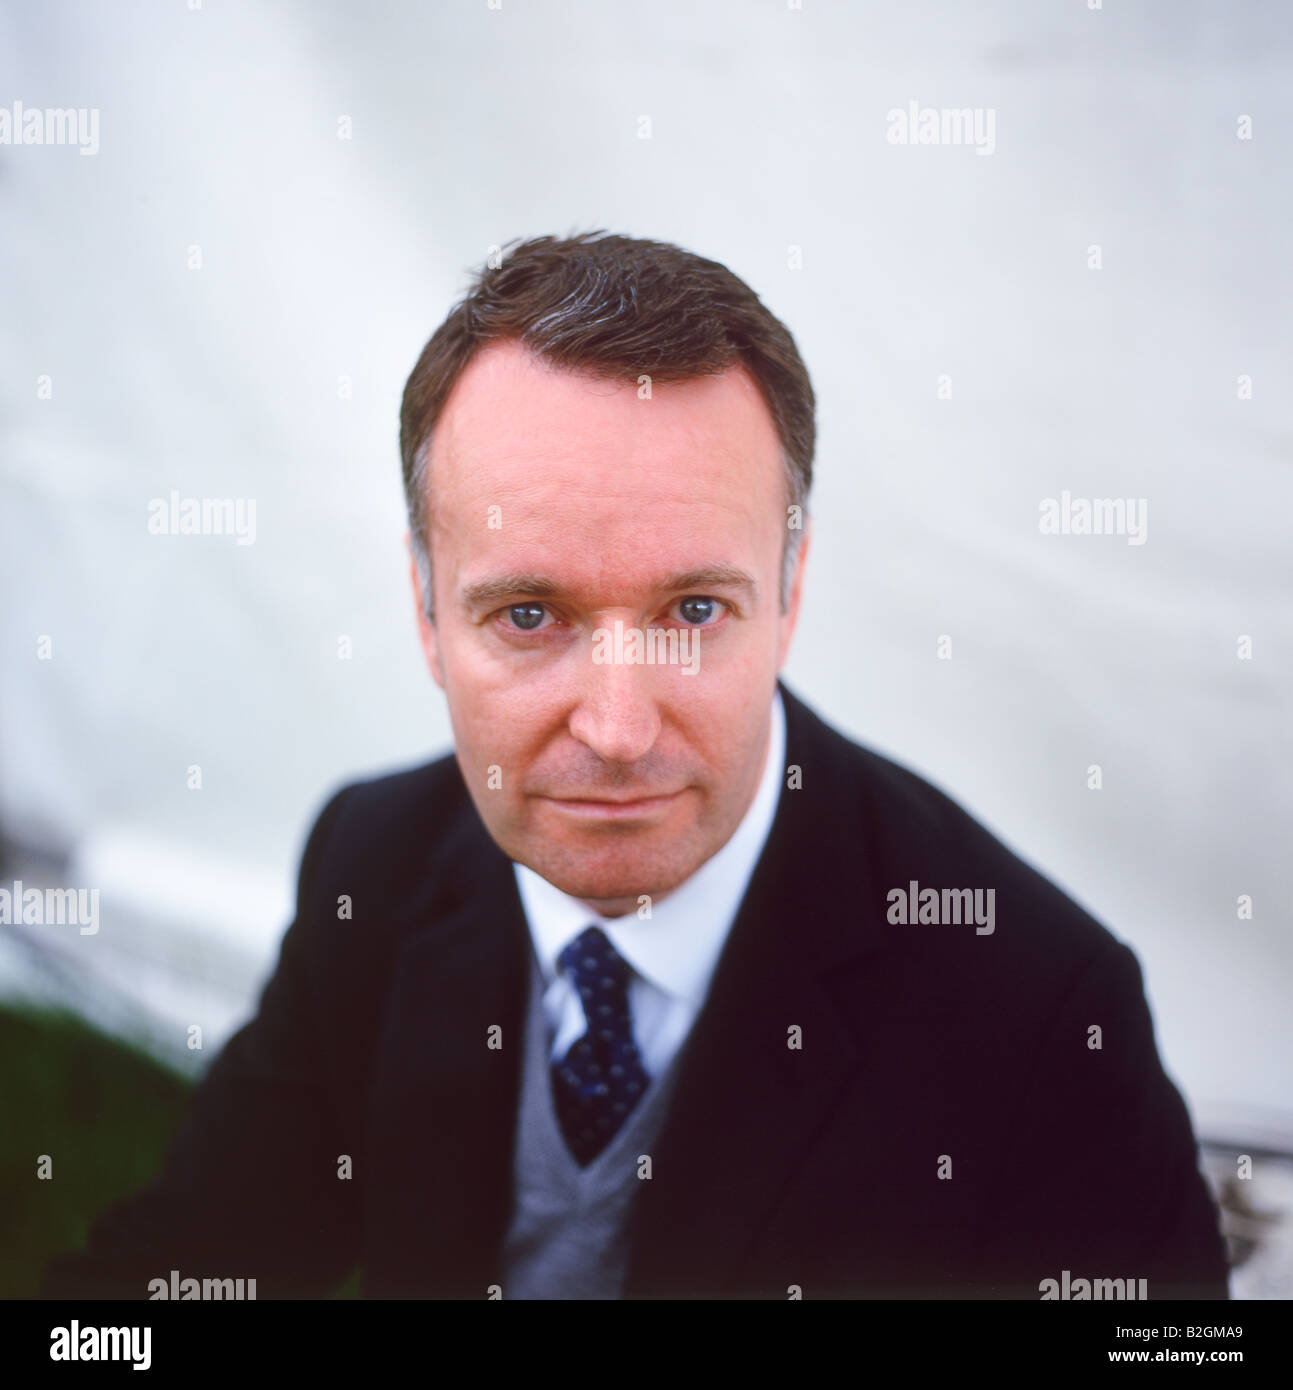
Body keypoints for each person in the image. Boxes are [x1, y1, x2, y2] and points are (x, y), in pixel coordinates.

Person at [43, 232, 1229, 1300]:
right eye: (527, 616)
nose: (617, 730)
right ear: (422, 612)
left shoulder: (1037, 1013)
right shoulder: (375, 862)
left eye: (696, 609)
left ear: (793, 594)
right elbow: (188, 1273)